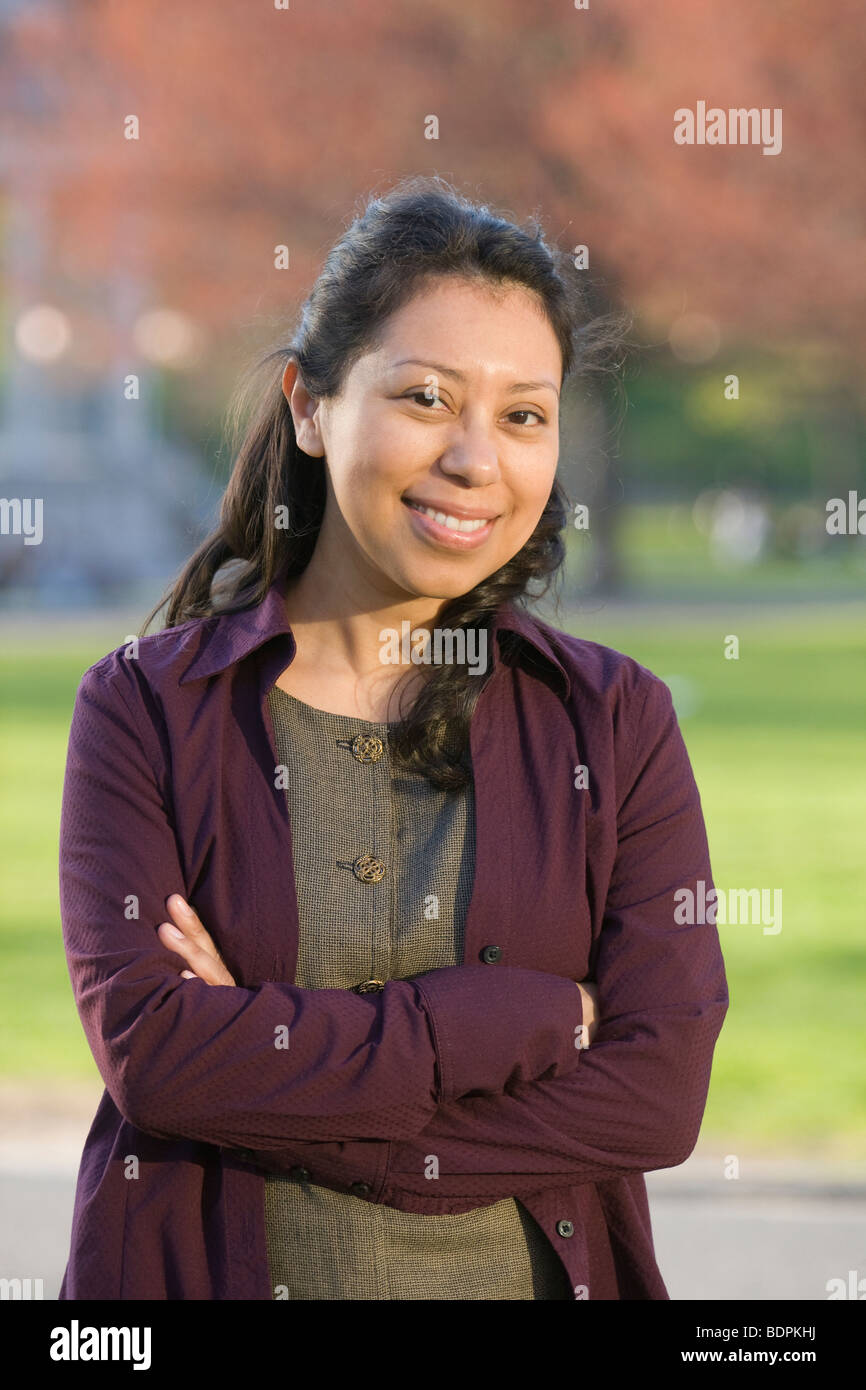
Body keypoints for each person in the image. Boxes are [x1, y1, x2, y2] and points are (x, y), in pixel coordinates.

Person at [58, 174, 728, 1301]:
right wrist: (509, 1019)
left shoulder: (614, 722)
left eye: (523, 415)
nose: (476, 460)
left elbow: (653, 1094)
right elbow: (162, 1062)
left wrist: (276, 1083)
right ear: (310, 406)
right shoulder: (145, 708)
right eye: (424, 398)